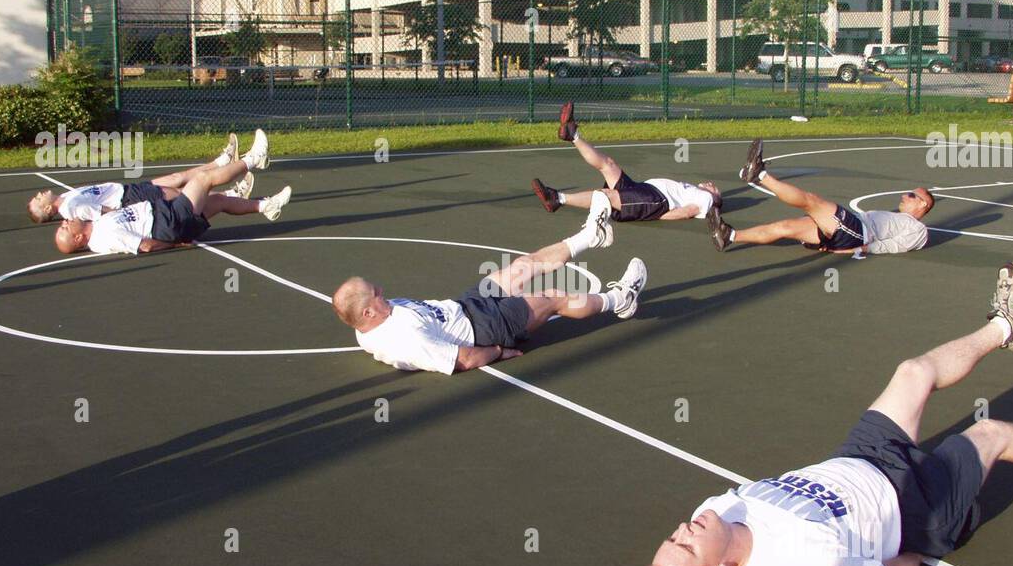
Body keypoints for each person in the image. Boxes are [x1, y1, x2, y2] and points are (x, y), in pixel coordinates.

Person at [646, 263, 1013, 566]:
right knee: (991, 433)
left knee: (914, 371)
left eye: (673, 536)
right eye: (686, 546)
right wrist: (918, 543)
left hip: (862, 455)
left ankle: (1006, 326)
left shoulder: (714, 512)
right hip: (915, 507)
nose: (685, 529)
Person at [333, 193, 648, 375]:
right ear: (368, 314)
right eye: (376, 295)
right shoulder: (406, 338)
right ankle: (620, 300)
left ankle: (590, 236)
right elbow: (463, 360)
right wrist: (499, 350)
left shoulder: (369, 322)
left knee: (523, 266)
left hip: (465, 305)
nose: (383, 292)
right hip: (485, 329)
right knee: (554, 297)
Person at [707, 138, 933, 255]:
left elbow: (896, 246)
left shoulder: (918, 230)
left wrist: (858, 250)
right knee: (785, 227)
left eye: (912, 195)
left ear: (922, 204)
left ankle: (760, 175)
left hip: (858, 233)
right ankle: (729, 236)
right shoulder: (897, 218)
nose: (905, 195)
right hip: (851, 230)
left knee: (812, 201)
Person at [53, 155, 291, 256]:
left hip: (164, 216)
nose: (65, 222)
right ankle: (254, 159)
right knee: (202, 180)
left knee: (217, 201)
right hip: (166, 223)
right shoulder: (104, 237)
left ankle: (266, 207)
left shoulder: (97, 227)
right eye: (65, 228)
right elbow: (144, 246)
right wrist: (174, 243)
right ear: (77, 239)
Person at [531, 101, 721, 225]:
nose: (712, 185)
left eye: (715, 189)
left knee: (607, 196)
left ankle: (557, 199)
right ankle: (573, 135)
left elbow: (687, 212)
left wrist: (654, 213)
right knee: (608, 164)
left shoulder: (707, 200)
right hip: (643, 188)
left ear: (716, 197)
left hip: (654, 200)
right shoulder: (696, 191)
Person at [27, 130, 267, 223]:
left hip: (127, 192)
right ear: (48, 210)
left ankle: (223, 163)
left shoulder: (67, 199)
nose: (39, 194)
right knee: (185, 192)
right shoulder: (71, 209)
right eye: (39, 200)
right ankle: (235, 185)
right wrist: (136, 214)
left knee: (178, 179)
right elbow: (103, 214)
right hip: (129, 201)